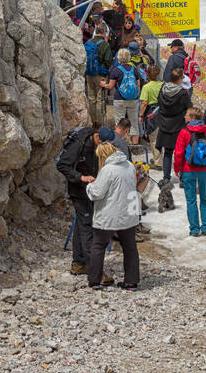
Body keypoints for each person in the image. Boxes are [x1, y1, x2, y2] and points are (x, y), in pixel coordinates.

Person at [86, 141, 141, 290]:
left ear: (102, 155)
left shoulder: (107, 170)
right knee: (130, 247)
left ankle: (95, 282)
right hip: (129, 213)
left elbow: (97, 193)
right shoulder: (129, 165)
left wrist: (90, 185)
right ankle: (131, 282)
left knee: (98, 246)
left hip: (109, 216)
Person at [56, 125, 106, 279]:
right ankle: (95, 272)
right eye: (102, 143)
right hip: (79, 191)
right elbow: (62, 165)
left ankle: (78, 264)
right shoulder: (79, 143)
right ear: (96, 136)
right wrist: (80, 177)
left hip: (88, 190)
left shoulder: (93, 142)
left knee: (80, 226)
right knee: (87, 228)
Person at [173, 106, 206, 236]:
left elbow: (179, 152)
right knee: (205, 198)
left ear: (192, 117)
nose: (184, 117)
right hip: (204, 170)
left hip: (188, 169)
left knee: (191, 200)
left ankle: (194, 229)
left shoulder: (184, 132)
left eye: (186, 115)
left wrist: (177, 168)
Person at [154, 68, 193, 181]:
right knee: (181, 152)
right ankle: (182, 178)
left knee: (167, 152)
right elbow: (189, 108)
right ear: (180, 79)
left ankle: (166, 177)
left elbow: (159, 103)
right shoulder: (182, 93)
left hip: (164, 125)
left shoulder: (163, 89)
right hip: (179, 125)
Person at [105, 48, 142, 129]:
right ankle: (135, 142)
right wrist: (134, 94)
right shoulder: (134, 69)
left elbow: (110, 86)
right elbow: (138, 85)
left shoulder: (115, 70)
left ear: (119, 58)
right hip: (133, 99)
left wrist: (103, 84)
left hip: (120, 98)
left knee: (119, 122)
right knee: (134, 123)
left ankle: (120, 140)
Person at [137, 69, 163, 143]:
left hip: (150, 110)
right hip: (161, 109)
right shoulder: (162, 84)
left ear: (147, 75)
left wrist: (140, 115)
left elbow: (144, 103)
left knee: (151, 128)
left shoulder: (146, 87)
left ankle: (148, 137)